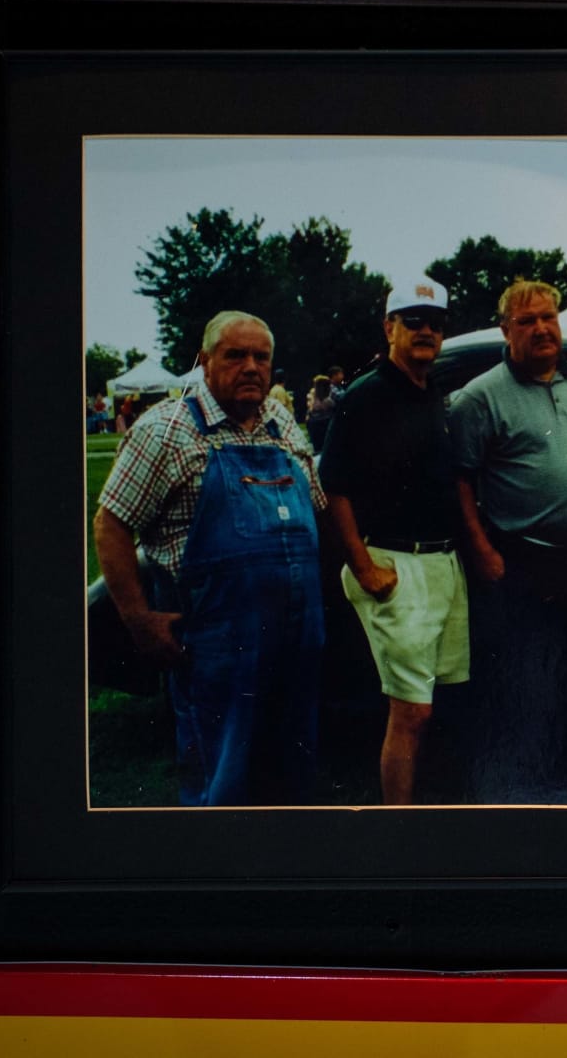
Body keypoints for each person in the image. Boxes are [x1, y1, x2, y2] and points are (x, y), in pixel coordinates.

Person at [92, 310, 326, 807]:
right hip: (215, 643)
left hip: (297, 638)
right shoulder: (165, 430)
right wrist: (138, 620)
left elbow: (317, 507)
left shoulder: (281, 422)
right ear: (203, 361)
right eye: (235, 355)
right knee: (221, 781)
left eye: (261, 358)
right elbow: (111, 525)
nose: (251, 367)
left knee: (292, 777)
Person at [450, 279, 567, 801]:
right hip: (526, 566)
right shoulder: (481, 396)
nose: (541, 329)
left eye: (549, 317)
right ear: (505, 330)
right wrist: (482, 550)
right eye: (527, 321)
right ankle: (525, 803)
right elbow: (459, 479)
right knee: (532, 691)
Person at [319, 277, 470, 805]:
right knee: (411, 711)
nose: (426, 332)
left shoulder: (429, 394)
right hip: (392, 562)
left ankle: (425, 810)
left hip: (440, 564)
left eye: (435, 324)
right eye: (413, 322)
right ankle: (398, 834)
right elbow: (333, 486)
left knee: (432, 703)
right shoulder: (366, 396)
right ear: (389, 328)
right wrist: (363, 567)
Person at [304, 374, 337, 453]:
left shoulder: (314, 396)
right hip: (323, 423)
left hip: (315, 423)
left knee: (319, 448)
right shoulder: (327, 399)